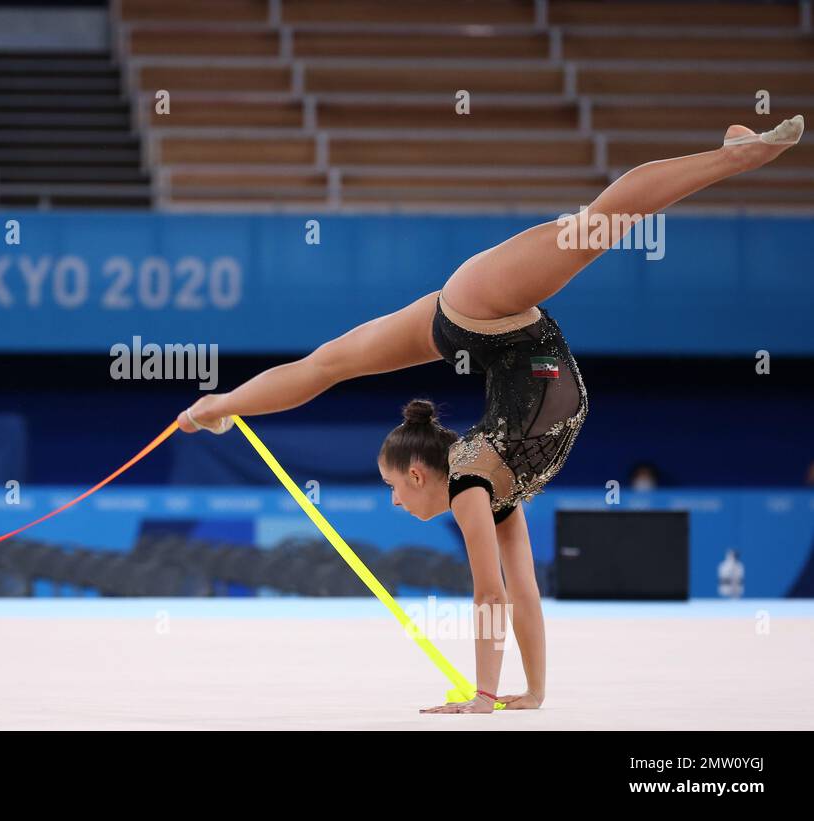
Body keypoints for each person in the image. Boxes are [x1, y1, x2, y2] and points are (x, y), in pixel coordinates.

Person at [177, 116, 805, 713]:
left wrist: (482, 695)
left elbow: (488, 595)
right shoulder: (493, 483)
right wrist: (531, 692)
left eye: (393, 488)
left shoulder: (472, 482)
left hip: (482, 306)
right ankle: (224, 401)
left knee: (598, 227)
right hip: (480, 329)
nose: (394, 503)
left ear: (422, 473)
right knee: (329, 364)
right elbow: (522, 590)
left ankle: (739, 154)